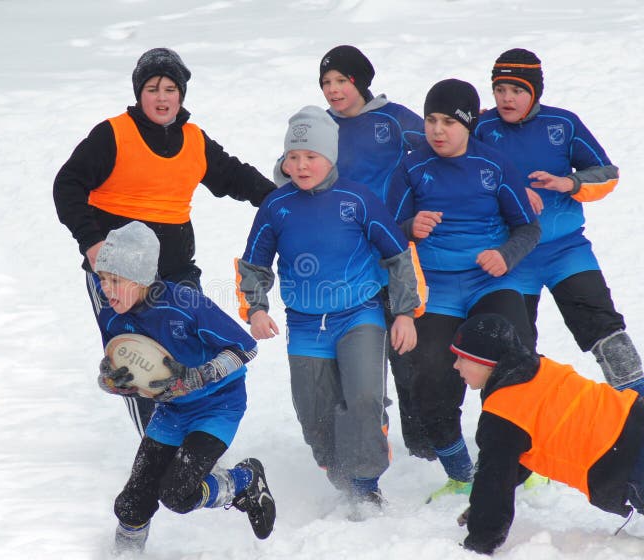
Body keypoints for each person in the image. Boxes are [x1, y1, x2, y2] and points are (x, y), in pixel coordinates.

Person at [53, 47, 276, 436]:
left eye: (170, 88)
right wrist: (92, 244)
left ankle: (198, 440)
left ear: (181, 95)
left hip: (176, 272)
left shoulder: (193, 140)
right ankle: (156, 449)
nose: (161, 97)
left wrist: (283, 201)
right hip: (118, 275)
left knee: (193, 351)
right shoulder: (114, 134)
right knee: (136, 361)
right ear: (140, 93)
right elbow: (67, 185)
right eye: (153, 88)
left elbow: (235, 177)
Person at [236, 105, 425, 506]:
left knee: (362, 399)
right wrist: (256, 308)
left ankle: (366, 483)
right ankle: (341, 473)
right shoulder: (276, 206)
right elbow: (254, 263)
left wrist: (406, 313)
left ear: (330, 158)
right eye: (294, 157)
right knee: (313, 414)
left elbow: (397, 256)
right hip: (305, 323)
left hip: (360, 314)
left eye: (311, 157)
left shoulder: (357, 199)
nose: (302, 166)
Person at [385, 78, 540, 501]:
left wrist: (506, 255)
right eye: (431, 120)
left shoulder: (494, 165)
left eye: (449, 122)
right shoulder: (412, 167)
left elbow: (529, 227)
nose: (437, 130)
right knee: (430, 374)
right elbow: (383, 234)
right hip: (434, 288)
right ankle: (460, 473)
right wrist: (408, 228)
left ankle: (526, 462)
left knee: (518, 356)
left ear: (469, 124)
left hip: (488, 282)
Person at [274, 44, 432, 459]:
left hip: (392, 250)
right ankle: (358, 452)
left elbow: (441, 144)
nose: (332, 89)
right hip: (343, 259)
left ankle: (422, 445)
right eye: (326, 82)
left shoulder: (394, 119)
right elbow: (286, 170)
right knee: (355, 364)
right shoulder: (320, 127)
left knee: (405, 358)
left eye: (341, 80)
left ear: (360, 81)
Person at [92, 221, 276, 553]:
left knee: (178, 493)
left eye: (116, 280)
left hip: (217, 407)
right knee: (134, 500)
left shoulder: (185, 304)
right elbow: (124, 367)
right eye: (103, 279)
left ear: (143, 278)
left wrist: (199, 376)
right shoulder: (112, 315)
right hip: (172, 410)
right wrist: (110, 380)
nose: (107, 289)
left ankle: (244, 481)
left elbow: (245, 348)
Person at [474, 48, 644, 394]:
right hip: (510, 257)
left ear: (535, 92)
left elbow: (608, 174)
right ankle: (523, 424)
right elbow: (461, 179)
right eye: (500, 89)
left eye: (517, 90)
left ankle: (638, 400)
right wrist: (512, 192)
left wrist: (570, 183)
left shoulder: (562, 123)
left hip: (566, 251)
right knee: (513, 348)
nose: (507, 98)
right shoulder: (480, 128)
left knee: (604, 327)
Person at [450, 313, 644, 555]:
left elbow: (495, 478)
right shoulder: (537, 367)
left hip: (623, 459)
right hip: (634, 416)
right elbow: (517, 454)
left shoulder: (503, 412)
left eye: (462, 358)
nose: (455, 365)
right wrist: (481, 507)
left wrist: (479, 541)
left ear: (486, 362)